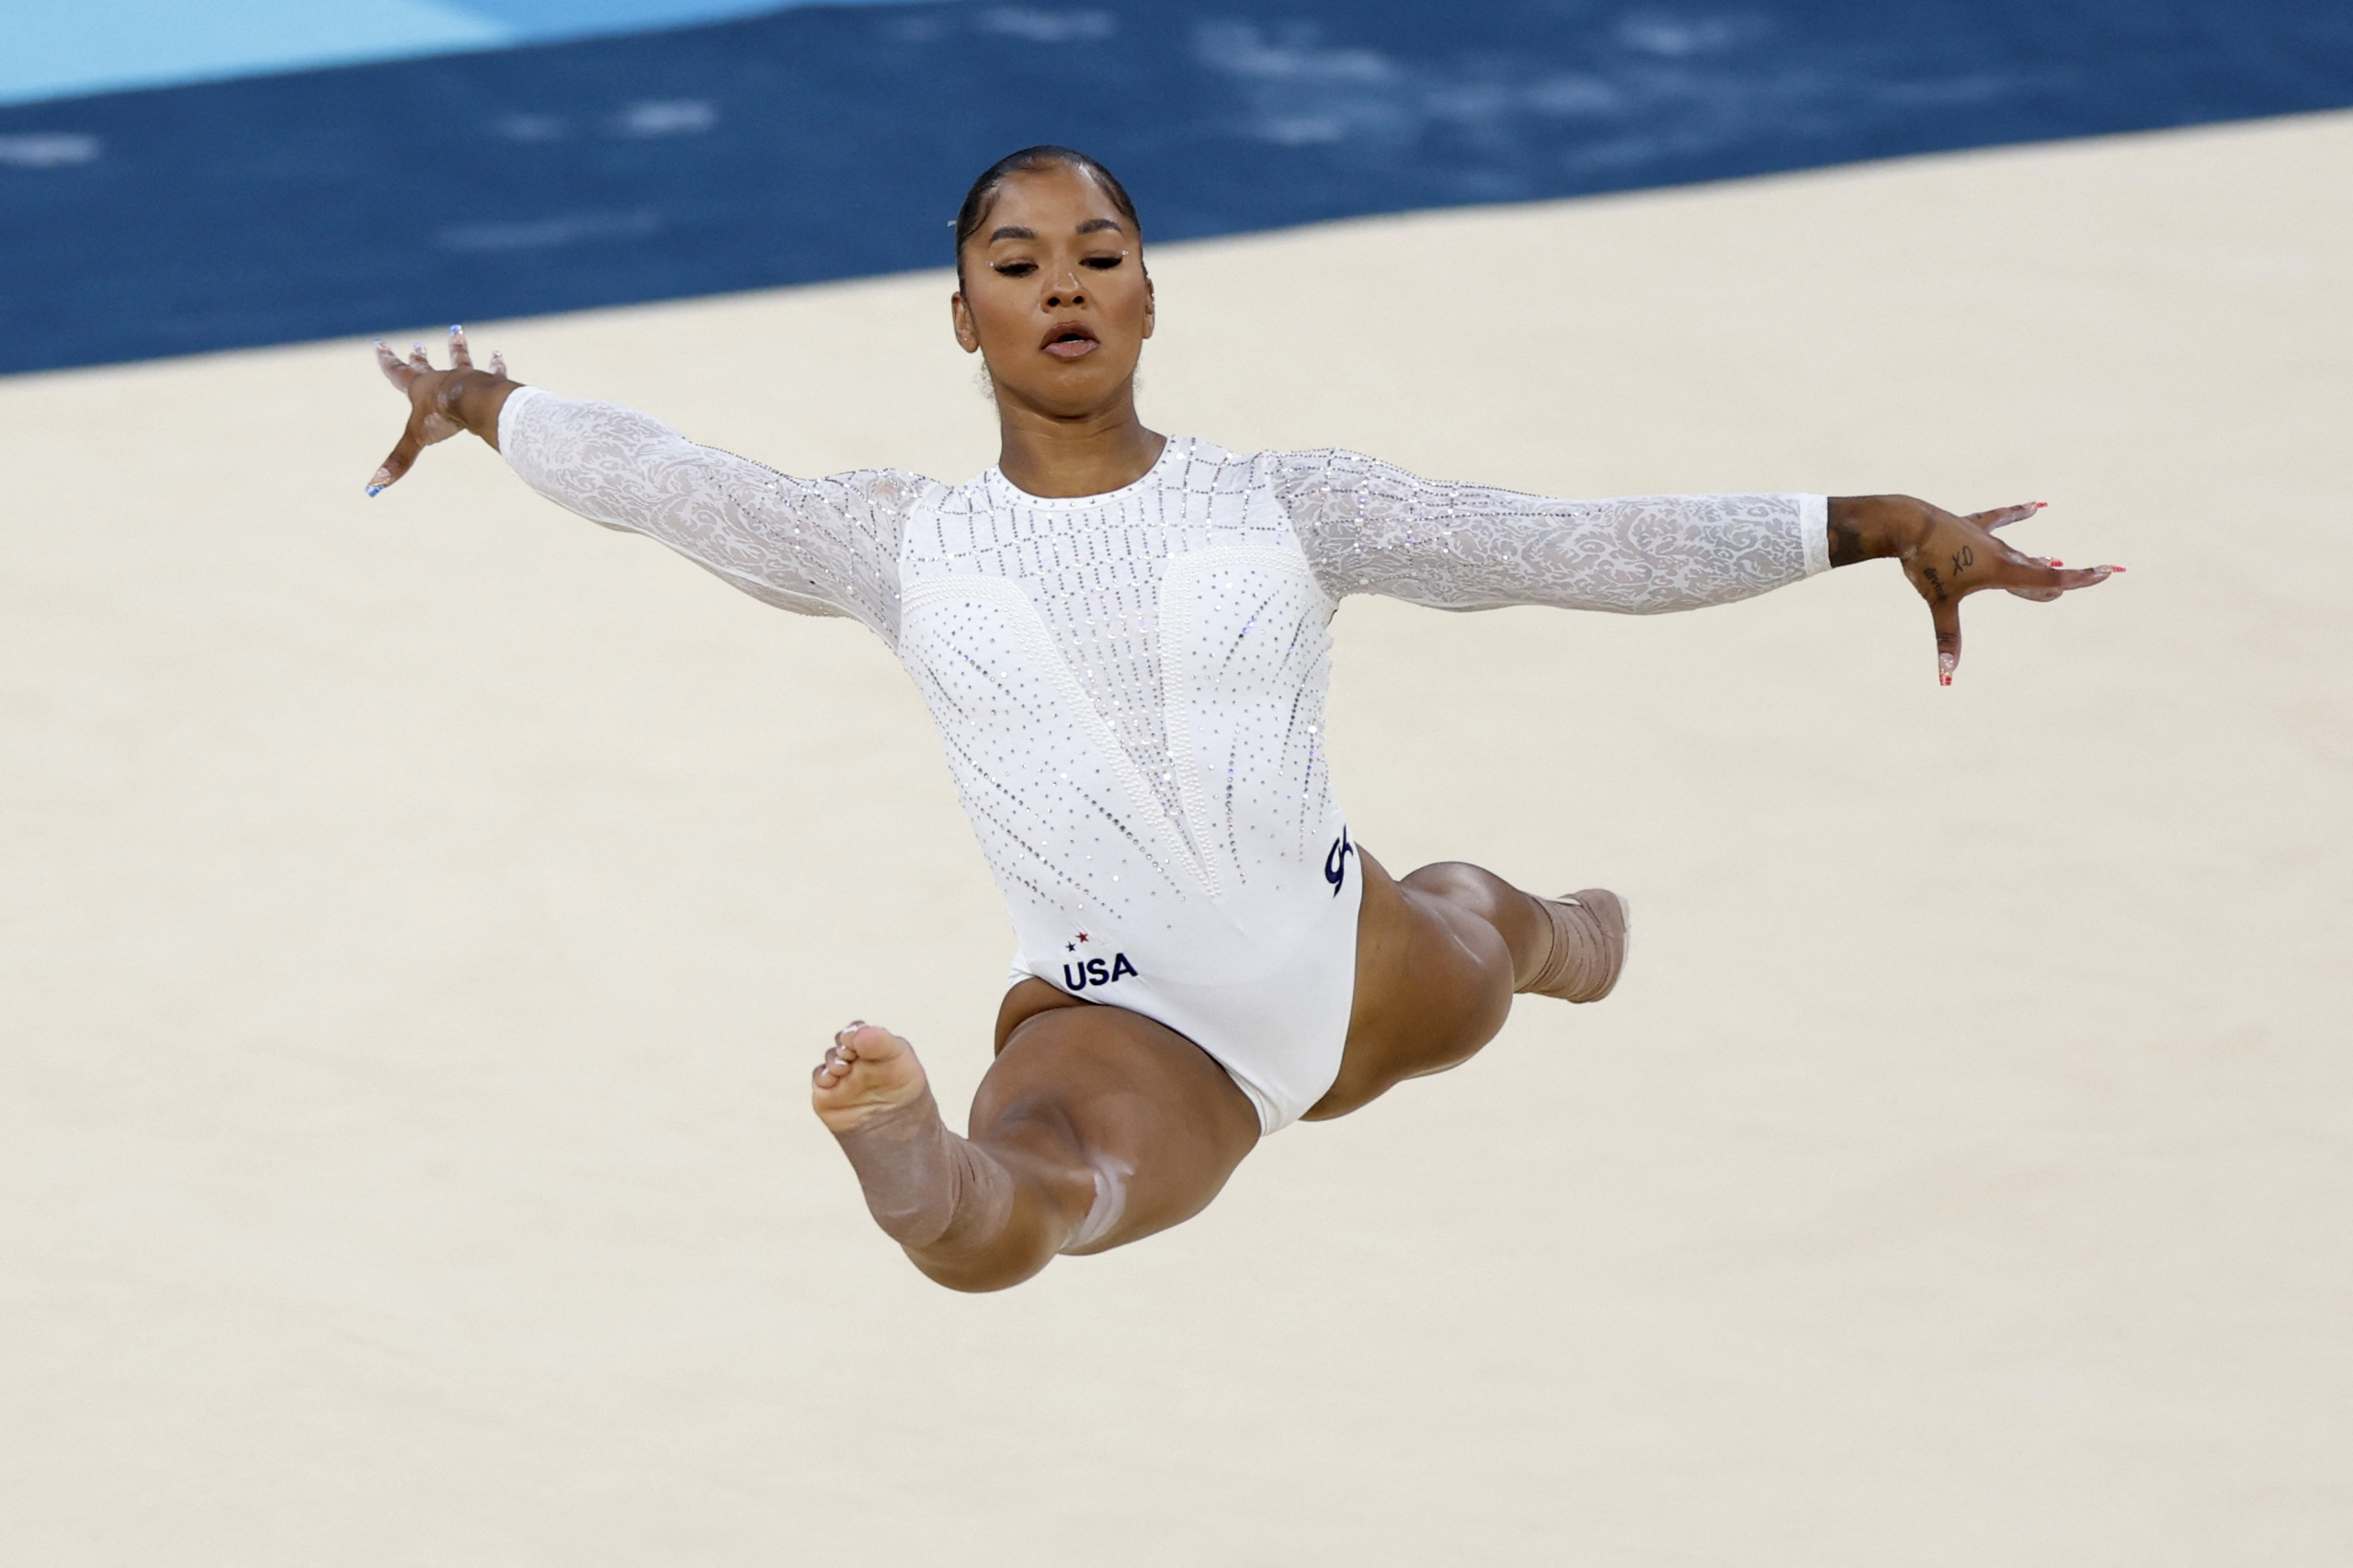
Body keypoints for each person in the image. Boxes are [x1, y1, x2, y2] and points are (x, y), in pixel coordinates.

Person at [367, 145, 2118, 1291]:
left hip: (1355, 956)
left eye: (1098, 251)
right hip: (1135, 1023)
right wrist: (486, 401)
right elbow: (666, 482)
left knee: (1492, 936)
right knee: (1035, 1200)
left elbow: (1562, 547)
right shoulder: (894, 546)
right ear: (960, 314)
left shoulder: (1286, 505)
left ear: (1146, 293)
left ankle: (1562, 927)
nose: (1061, 282)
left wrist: (1871, 521)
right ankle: (899, 1140)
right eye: (1016, 258)